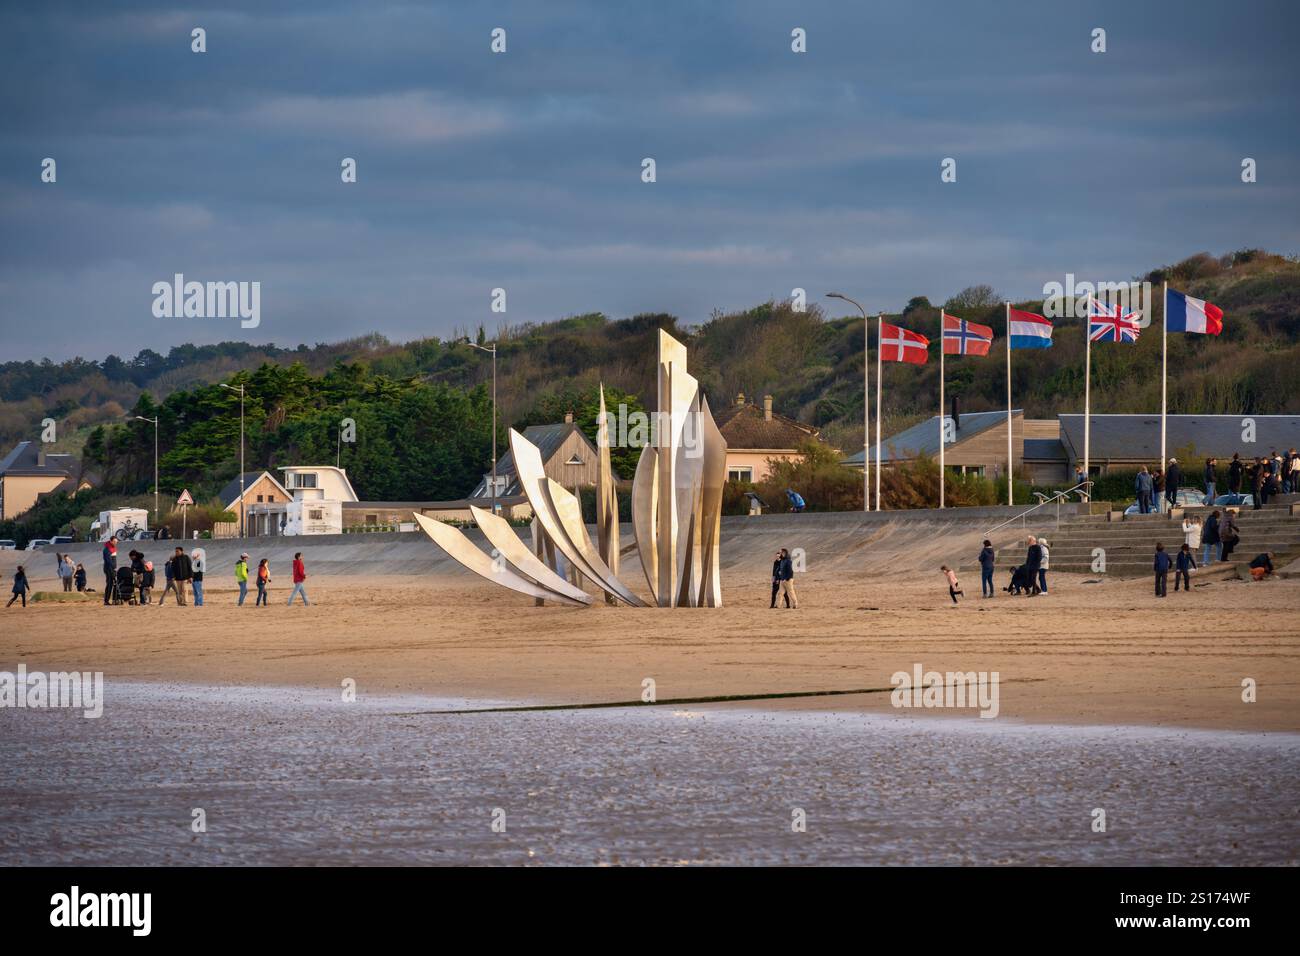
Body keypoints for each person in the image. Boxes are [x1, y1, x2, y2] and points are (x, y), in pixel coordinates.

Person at [101, 538, 118, 606]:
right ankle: (106, 601)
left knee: (114, 584)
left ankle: (114, 600)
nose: (115, 543)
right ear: (111, 541)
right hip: (108, 569)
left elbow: (113, 559)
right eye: (114, 541)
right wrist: (112, 570)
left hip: (112, 569)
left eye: (116, 541)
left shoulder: (113, 548)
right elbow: (108, 561)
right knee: (109, 584)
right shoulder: (107, 549)